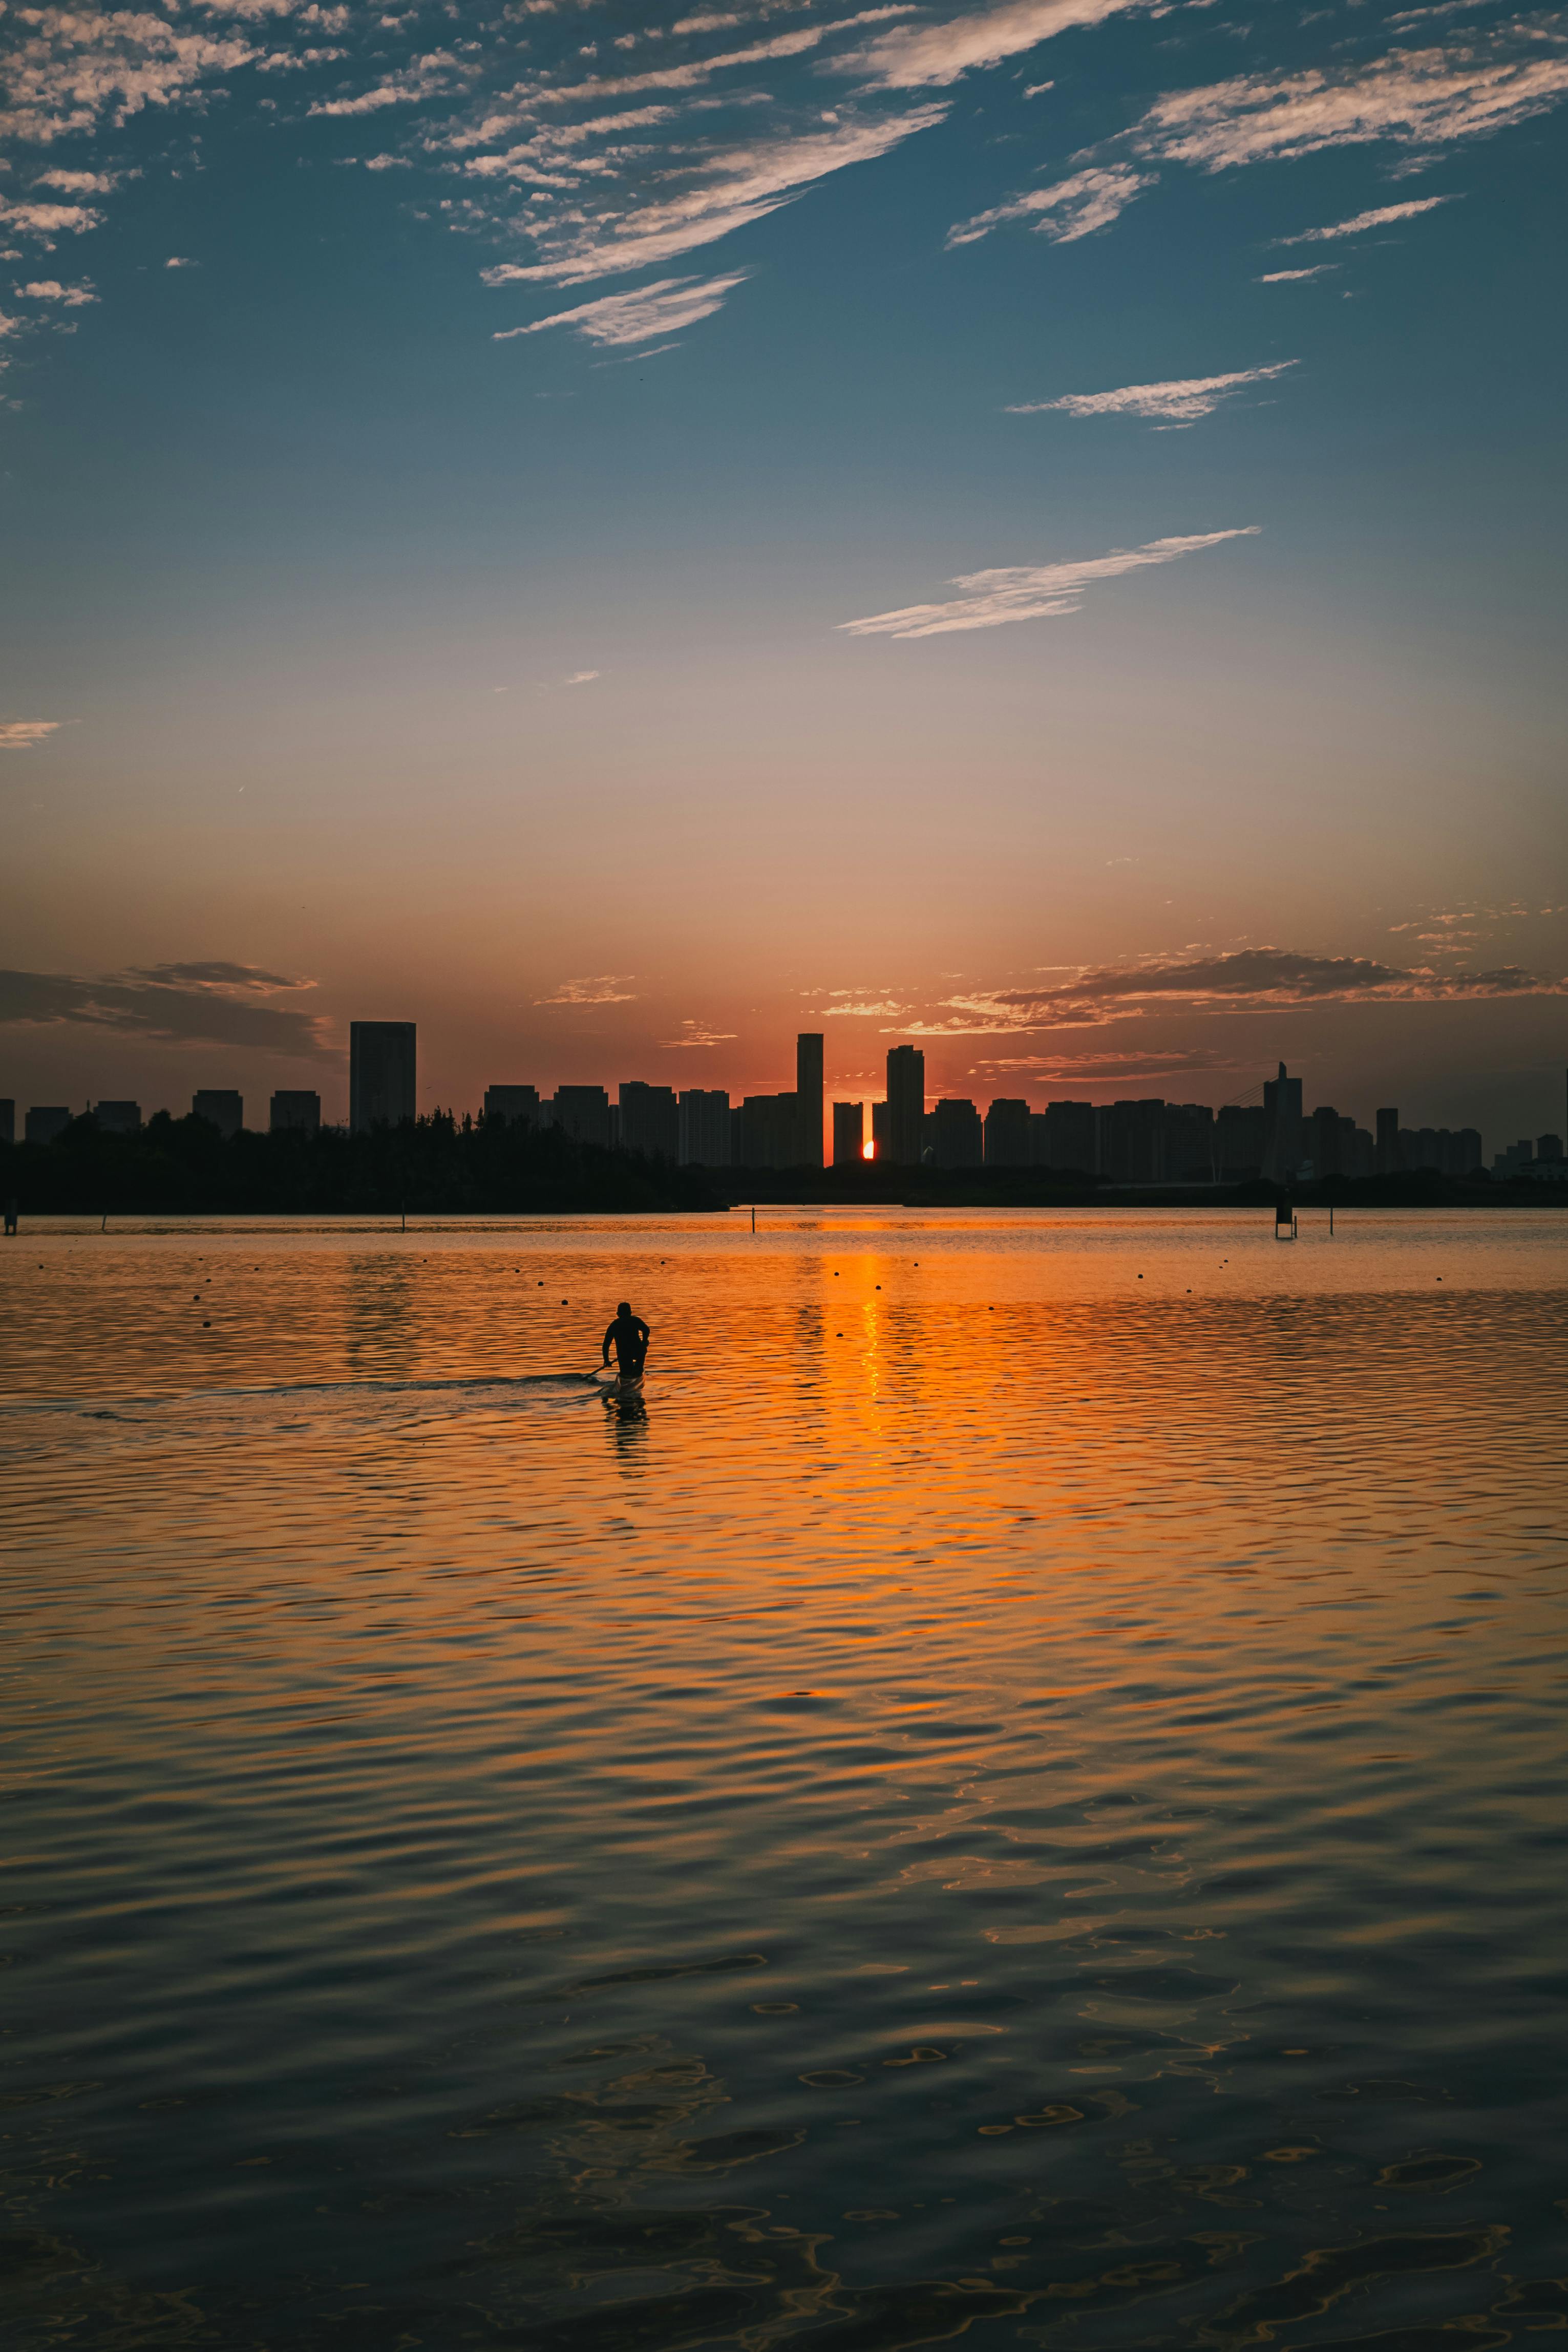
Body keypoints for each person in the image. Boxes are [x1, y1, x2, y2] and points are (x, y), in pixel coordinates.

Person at [602, 1301, 650, 1380]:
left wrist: (607, 1360)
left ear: (618, 1314)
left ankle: (633, 1371)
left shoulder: (614, 1325)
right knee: (643, 1349)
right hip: (636, 1352)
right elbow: (646, 1330)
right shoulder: (635, 1321)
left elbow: (606, 1345)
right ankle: (638, 1369)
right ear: (630, 1313)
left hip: (623, 1355)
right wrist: (644, 1341)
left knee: (626, 1373)